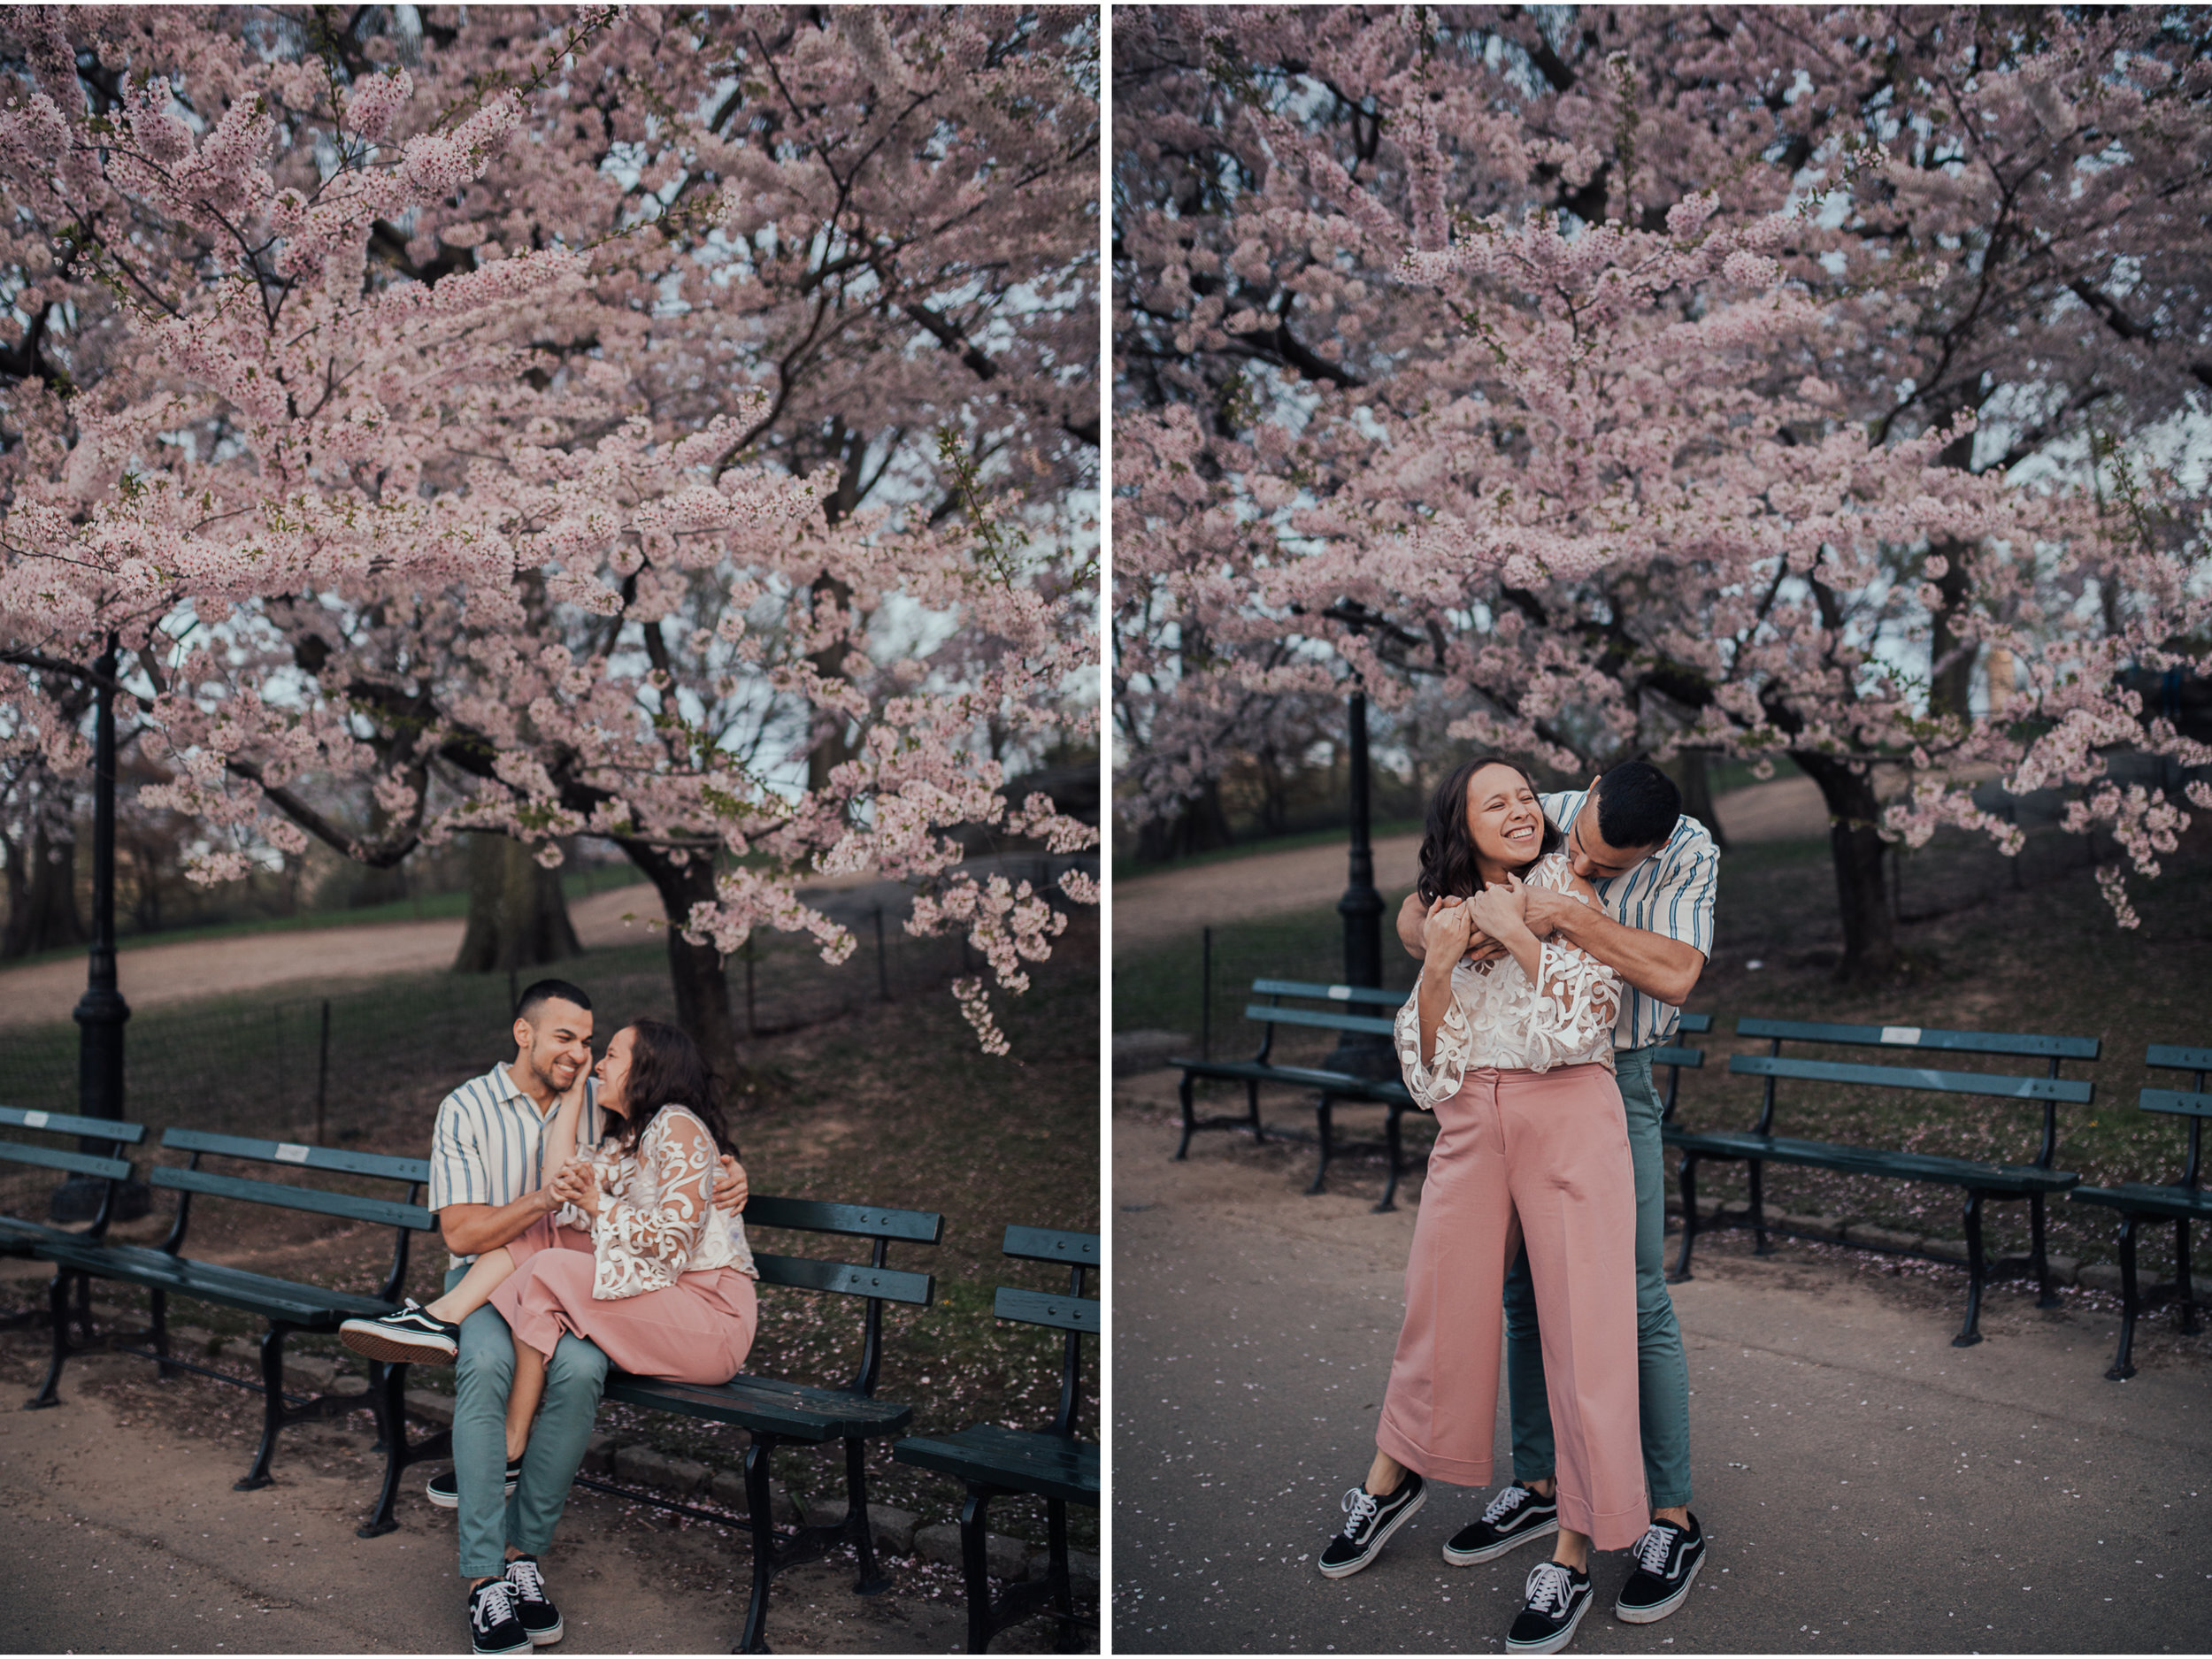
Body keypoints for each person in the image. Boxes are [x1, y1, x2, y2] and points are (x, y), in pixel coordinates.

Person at [1319, 757, 1643, 1656]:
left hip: (1568, 1111)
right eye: (1495, 801)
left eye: (1527, 798)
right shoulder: (1440, 914)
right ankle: (1395, 1477)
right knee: (1439, 1303)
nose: (1520, 811)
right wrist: (1442, 959)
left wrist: (1527, 931)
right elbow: (1425, 1073)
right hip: (1470, 1120)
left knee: (1584, 1331)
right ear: (1460, 825)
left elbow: (1589, 1017)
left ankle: (1571, 1552)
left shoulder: (1565, 889)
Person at [1392, 757, 1717, 1628]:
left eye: (1610, 865)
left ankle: (1669, 1515)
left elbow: (1674, 978)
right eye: (1584, 846)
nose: (1583, 860)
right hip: (1498, 1087)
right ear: (1591, 796)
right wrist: (1452, 935)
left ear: (1648, 851)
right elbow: (1413, 911)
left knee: (1626, 1301)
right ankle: (1538, 1482)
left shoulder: (1686, 853)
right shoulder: (1545, 813)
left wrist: (1559, 915)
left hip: (1611, 1077)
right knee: (1516, 1298)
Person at [341, 981, 749, 1656]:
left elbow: (682, 1159)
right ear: (523, 1034)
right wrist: (544, 1197)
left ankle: (522, 1553)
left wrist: (734, 1174)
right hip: (491, 1277)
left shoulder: (612, 1106)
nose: (582, 1054)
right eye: (568, 1039)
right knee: (486, 1359)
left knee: (584, 1368)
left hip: (586, 1282)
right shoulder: (467, 1108)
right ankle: (483, 1578)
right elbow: (467, 1235)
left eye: (594, 1044)